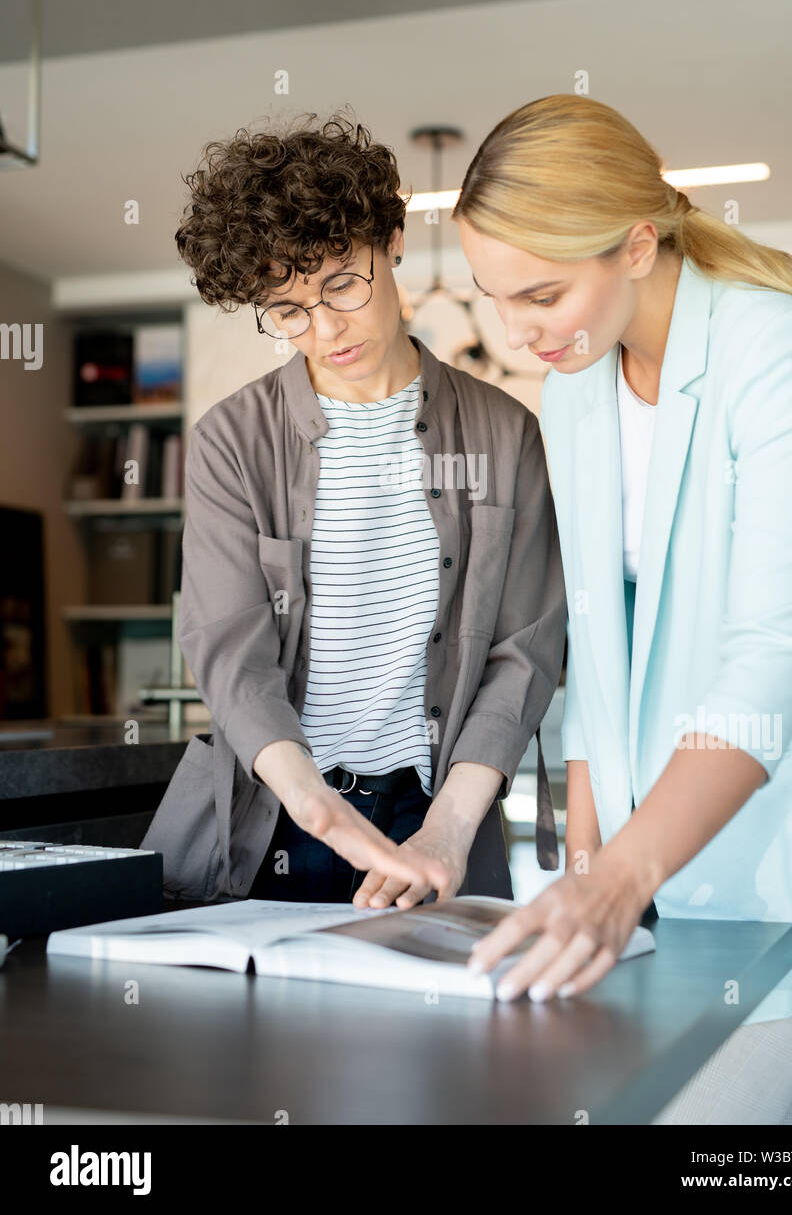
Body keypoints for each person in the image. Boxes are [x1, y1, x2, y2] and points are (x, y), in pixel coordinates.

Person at [452, 92, 792, 1124]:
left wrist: (618, 878)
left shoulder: (778, 357)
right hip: (653, 873)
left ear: (636, 245)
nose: (516, 332)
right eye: (494, 299)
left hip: (783, 836)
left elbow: (771, 656)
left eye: (540, 294)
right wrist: (590, 878)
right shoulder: (578, 389)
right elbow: (598, 654)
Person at [140, 112, 566, 909]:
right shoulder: (232, 441)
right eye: (289, 310)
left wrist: (449, 826)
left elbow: (524, 651)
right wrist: (312, 804)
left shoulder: (508, 436)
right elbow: (229, 648)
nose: (325, 329)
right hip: (272, 813)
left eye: (342, 284)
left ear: (393, 238)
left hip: (434, 818)